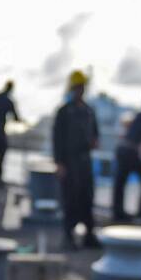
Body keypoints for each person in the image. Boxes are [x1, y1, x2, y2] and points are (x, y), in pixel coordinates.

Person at [53, 70, 100, 248]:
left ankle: (89, 235)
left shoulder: (89, 111)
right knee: (70, 199)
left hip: (85, 161)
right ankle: (68, 236)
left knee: (87, 197)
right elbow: (57, 138)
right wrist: (59, 163)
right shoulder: (64, 112)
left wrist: (94, 141)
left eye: (82, 87)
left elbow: (95, 134)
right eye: (77, 87)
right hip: (69, 161)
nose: (80, 90)